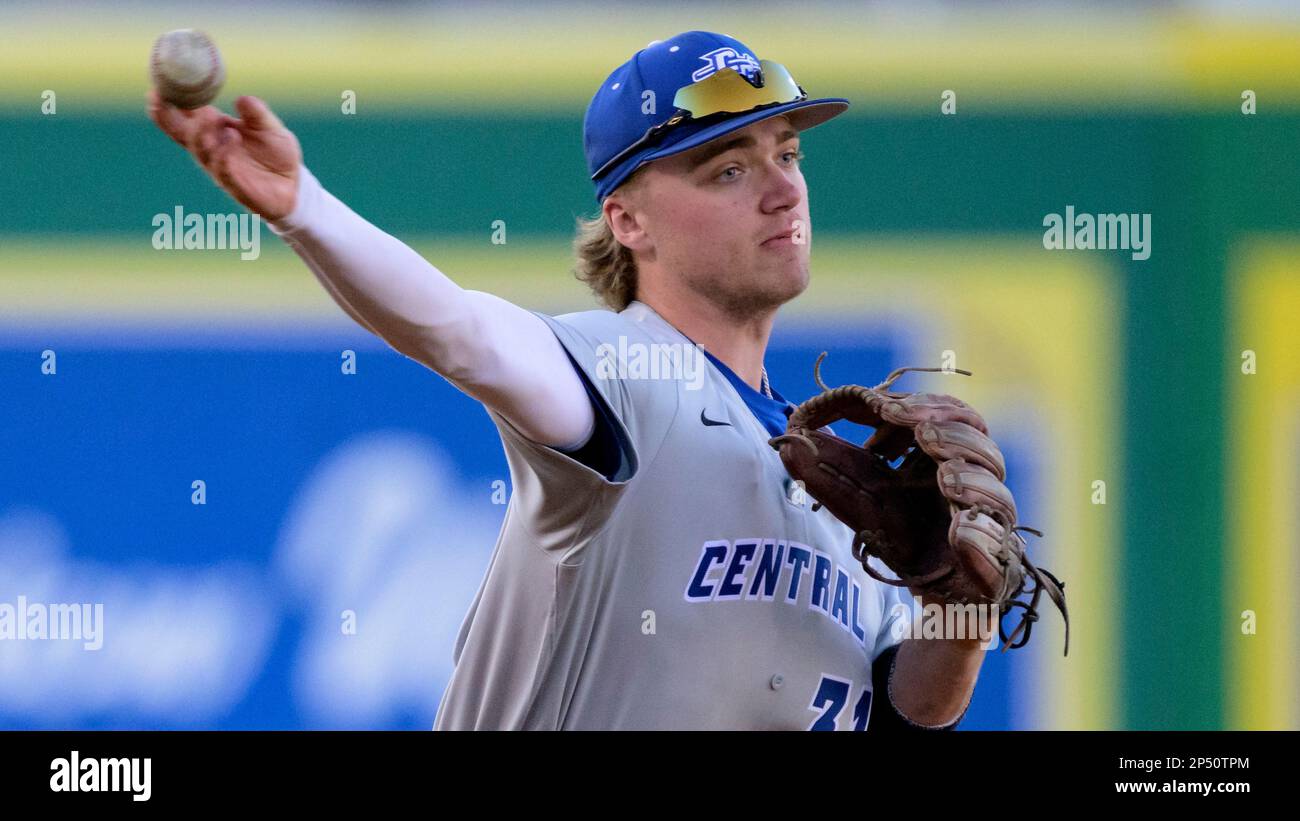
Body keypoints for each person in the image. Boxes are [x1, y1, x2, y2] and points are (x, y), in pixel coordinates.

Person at [149, 30, 990, 731]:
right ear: (629, 220)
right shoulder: (628, 377)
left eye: (788, 153)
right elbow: (459, 331)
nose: (782, 190)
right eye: (728, 169)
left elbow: (904, 713)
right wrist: (304, 207)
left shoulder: (845, 486)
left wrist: (959, 605)